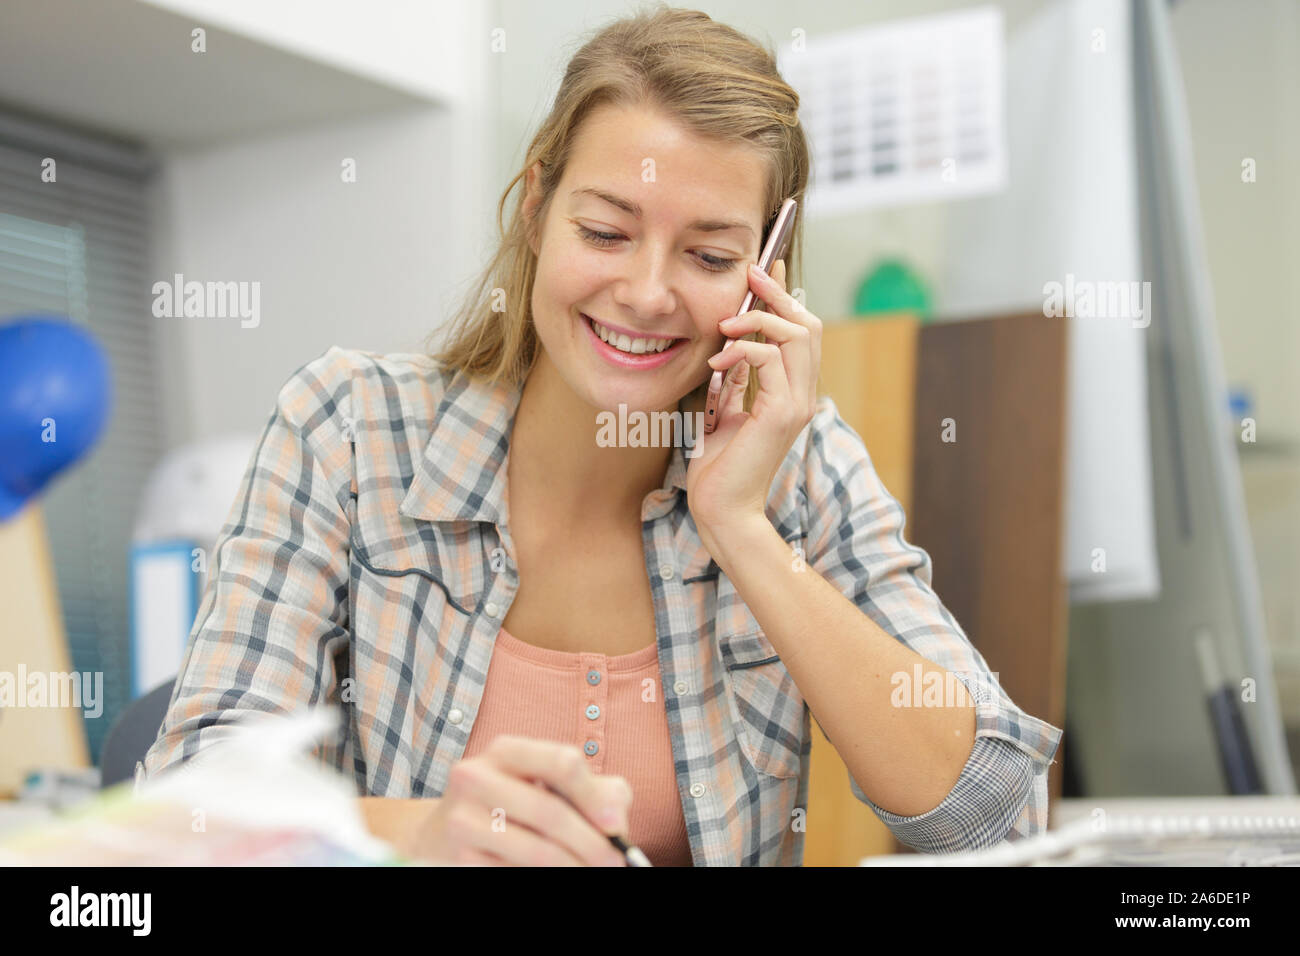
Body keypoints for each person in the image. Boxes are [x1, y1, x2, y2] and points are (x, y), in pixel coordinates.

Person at [143, 5, 1062, 867]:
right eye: (607, 230)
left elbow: (993, 814)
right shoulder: (348, 432)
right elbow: (188, 817)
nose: (648, 293)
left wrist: (740, 526)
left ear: (765, 278)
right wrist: (426, 833)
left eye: (709, 256)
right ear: (538, 206)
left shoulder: (804, 466)